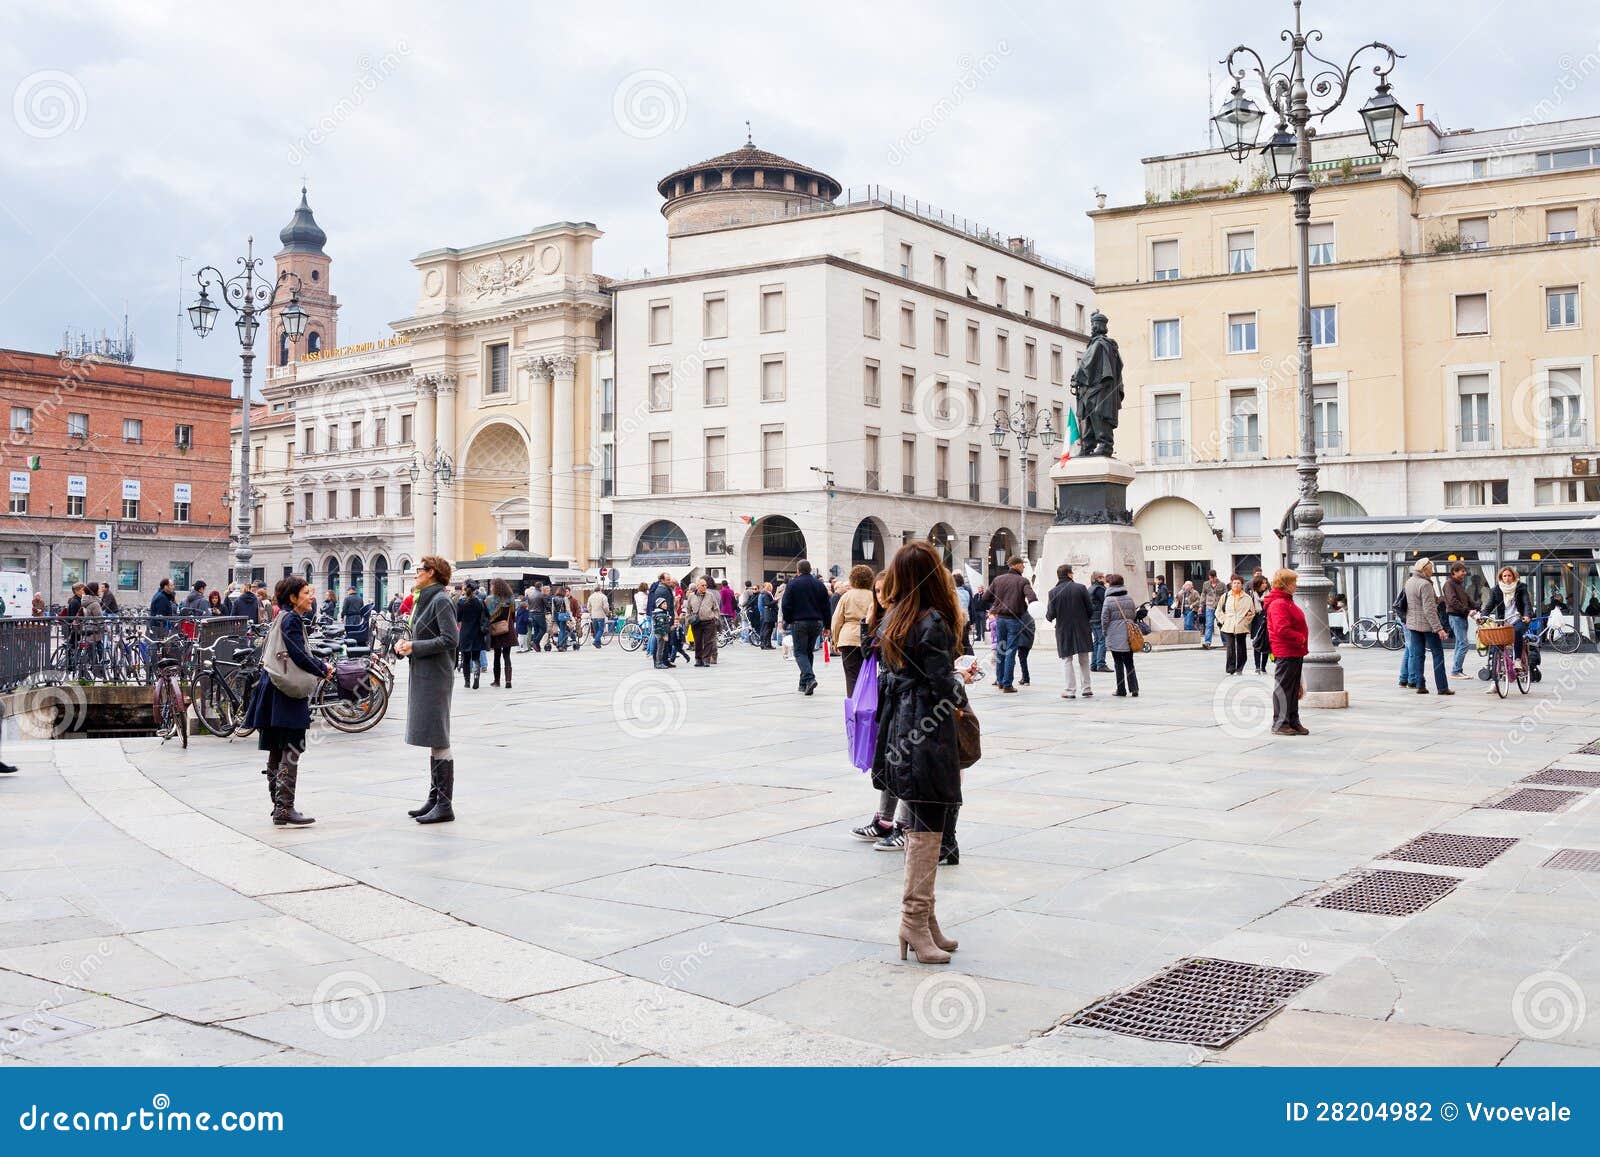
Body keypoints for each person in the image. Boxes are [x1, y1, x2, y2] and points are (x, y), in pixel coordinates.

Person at [871, 541, 975, 963]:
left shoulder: (895, 616)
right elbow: (938, 684)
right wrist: (962, 680)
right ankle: (914, 922)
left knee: (919, 822)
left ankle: (925, 919)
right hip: (927, 733)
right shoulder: (931, 621)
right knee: (929, 823)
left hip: (901, 728)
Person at [244, 576, 331, 826]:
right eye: (306, 593)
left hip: (272, 688)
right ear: (293, 598)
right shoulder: (291, 618)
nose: (311, 596)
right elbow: (298, 654)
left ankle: (278, 806)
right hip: (285, 692)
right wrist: (322, 667)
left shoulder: (281, 616)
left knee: (275, 747)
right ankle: (285, 807)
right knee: (291, 748)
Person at [396, 556, 460, 824]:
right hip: (424, 672)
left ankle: (444, 805)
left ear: (432, 573)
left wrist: (415, 647)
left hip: (436, 674)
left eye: (419, 570)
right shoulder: (426, 598)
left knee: (439, 735)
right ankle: (434, 798)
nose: (415, 574)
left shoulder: (441, 600)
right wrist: (404, 646)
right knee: (433, 736)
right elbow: (421, 635)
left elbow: (450, 639)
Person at [1264, 569, 1309, 735]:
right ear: (1285, 584)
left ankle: (1293, 720)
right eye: (1293, 582)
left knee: (1294, 687)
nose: (1295, 585)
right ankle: (1280, 723)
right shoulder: (1278, 604)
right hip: (1286, 650)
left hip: (1295, 651)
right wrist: (1300, 638)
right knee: (1283, 688)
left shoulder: (1286, 601)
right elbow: (1281, 629)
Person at [1403, 558, 1452, 696]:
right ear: (1424, 569)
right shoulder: (1425, 584)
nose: (1432, 570)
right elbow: (1429, 610)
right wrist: (1439, 629)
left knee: (1418, 655)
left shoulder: (1409, 582)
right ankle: (1442, 687)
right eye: (1431, 568)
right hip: (1428, 626)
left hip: (1413, 624)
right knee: (1438, 654)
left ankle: (1420, 685)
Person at [780, 560, 831, 695]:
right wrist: (828, 625)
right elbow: (826, 607)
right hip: (817, 623)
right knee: (808, 652)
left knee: (800, 653)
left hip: (799, 622)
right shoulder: (819, 585)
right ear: (810, 570)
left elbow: (785, 605)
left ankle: (809, 679)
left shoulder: (793, 584)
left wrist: (789, 620)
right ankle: (803, 684)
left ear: (798, 570)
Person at [988, 556, 1037, 693]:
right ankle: (1007, 684)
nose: (1024, 567)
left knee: (1000, 650)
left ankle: (1000, 681)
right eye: (1023, 565)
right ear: (1017, 565)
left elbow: (986, 596)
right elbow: (1032, 597)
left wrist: (998, 602)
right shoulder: (1022, 581)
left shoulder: (998, 580)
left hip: (1000, 619)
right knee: (1010, 650)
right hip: (1014, 619)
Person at [1046, 563, 1094, 699]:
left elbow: (1050, 615)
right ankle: (1086, 688)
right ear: (1069, 574)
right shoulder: (1081, 588)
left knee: (1066, 659)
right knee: (1084, 658)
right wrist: (1084, 619)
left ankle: (1070, 690)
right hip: (1082, 627)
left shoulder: (1053, 592)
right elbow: (1090, 609)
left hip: (1063, 628)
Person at [1482, 565, 1534, 682]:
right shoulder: (1496, 590)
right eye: (1504, 576)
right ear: (1501, 577)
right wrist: (1483, 617)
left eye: (1509, 575)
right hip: (1503, 620)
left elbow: (1526, 603)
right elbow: (1489, 606)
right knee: (1496, 645)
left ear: (1514, 576)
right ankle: (1496, 681)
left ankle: (1518, 660)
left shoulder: (1521, 588)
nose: (1507, 578)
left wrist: (1526, 615)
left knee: (1517, 632)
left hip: (1518, 619)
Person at [832, 564, 877, 697]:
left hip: (848, 639)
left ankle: (853, 706)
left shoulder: (846, 596)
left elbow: (837, 620)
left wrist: (835, 641)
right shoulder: (873, 596)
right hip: (869, 639)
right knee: (868, 676)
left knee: (851, 677)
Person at [1100, 573, 1146, 698]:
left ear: (1111, 584)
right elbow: (1133, 615)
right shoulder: (1129, 598)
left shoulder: (1108, 600)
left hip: (1114, 634)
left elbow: (1104, 619)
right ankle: (1134, 688)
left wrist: (1105, 632)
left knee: (1118, 662)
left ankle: (1121, 689)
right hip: (1129, 633)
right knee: (1129, 661)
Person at [1218, 576, 1257, 676]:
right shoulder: (1225, 596)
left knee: (1241, 647)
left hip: (1241, 625)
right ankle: (1231, 667)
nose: (1236, 585)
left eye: (1238, 583)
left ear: (1242, 585)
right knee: (1230, 646)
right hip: (1228, 624)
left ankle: (1240, 666)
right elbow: (1218, 611)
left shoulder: (1247, 598)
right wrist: (1224, 620)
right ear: (1231, 584)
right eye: (1234, 583)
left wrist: (1246, 621)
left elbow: (1252, 612)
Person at [1443, 562, 1474, 677]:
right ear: (1454, 572)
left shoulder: (1458, 584)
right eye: (1462, 571)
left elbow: (1466, 598)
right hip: (1456, 617)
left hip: (1461, 616)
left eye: (1464, 571)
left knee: (1459, 643)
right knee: (1464, 644)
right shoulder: (1449, 584)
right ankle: (1456, 671)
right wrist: (1467, 611)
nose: (1464, 573)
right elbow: (1453, 601)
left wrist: (1476, 606)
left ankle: (1456, 669)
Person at [485, 578, 516, 688]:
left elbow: (487, 616)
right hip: (508, 628)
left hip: (496, 629)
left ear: (495, 586)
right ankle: (508, 681)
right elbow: (513, 614)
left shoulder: (490, 599)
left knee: (497, 655)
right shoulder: (511, 598)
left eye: (492, 585)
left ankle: (497, 681)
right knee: (507, 656)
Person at [456, 581, 487, 688]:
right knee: (476, 658)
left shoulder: (461, 602)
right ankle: (476, 678)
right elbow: (486, 616)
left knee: (466, 659)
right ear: (474, 591)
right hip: (477, 632)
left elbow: (458, 618)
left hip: (465, 633)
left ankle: (467, 681)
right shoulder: (480, 602)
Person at [683, 578, 719, 666]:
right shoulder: (691, 596)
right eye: (703, 585)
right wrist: (688, 619)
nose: (705, 587)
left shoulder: (710, 595)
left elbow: (716, 608)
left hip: (709, 621)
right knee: (697, 641)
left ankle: (706, 659)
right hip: (696, 622)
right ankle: (698, 659)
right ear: (698, 586)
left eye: (706, 585)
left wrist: (715, 617)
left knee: (708, 641)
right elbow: (688, 609)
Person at [1249, 574, 1272, 674]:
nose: (1265, 585)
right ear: (1257, 584)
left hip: (1266, 619)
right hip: (1256, 620)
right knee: (1256, 643)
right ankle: (1257, 666)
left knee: (1266, 643)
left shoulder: (1269, 594)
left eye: (1265, 583)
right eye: (1263, 583)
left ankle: (1263, 666)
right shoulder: (1251, 594)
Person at [1088, 573, 1110, 672]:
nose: (1105, 578)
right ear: (1099, 578)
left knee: (1097, 641)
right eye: (1103, 577)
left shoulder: (1091, 588)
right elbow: (1105, 602)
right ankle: (1101, 664)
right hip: (1098, 618)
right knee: (1102, 641)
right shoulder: (1100, 589)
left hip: (1092, 618)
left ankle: (1094, 664)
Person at [1199, 570, 1225, 648]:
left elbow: (1225, 595)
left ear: (1216, 576)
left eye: (1213, 578)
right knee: (1209, 624)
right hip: (1209, 606)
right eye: (1210, 578)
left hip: (1219, 607)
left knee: (1221, 624)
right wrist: (1201, 605)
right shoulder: (1206, 584)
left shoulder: (1222, 584)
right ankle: (1207, 642)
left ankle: (1225, 642)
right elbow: (1203, 594)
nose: (1212, 580)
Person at [757, 582, 778, 649]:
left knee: (768, 629)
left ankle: (767, 644)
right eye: (770, 587)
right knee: (767, 629)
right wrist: (775, 600)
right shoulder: (766, 594)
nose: (771, 588)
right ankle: (765, 644)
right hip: (768, 615)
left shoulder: (763, 594)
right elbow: (767, 604)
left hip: (766, 615)